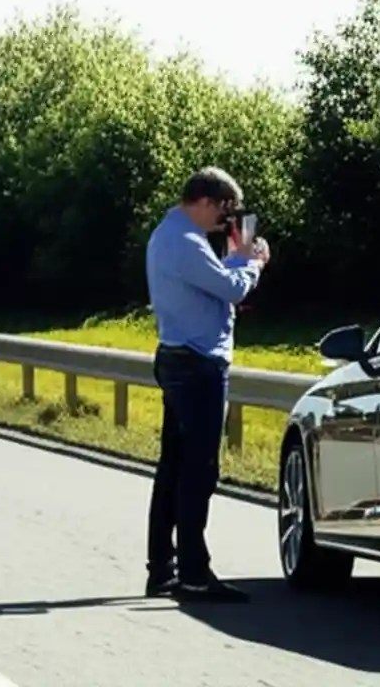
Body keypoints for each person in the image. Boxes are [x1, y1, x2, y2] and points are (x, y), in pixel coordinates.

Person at [143, 166, 269, 602]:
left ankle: (162, 567)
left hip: (177, 356)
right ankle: (194, 572)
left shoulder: (169, 233)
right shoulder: (187, 242)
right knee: (200, 470)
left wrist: (237, 259)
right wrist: (252, 262)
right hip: (198, 364)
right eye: (226, 210)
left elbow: (213, 286)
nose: (228, 220)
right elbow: (231, 290)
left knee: (174, 466)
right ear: (207, 201)